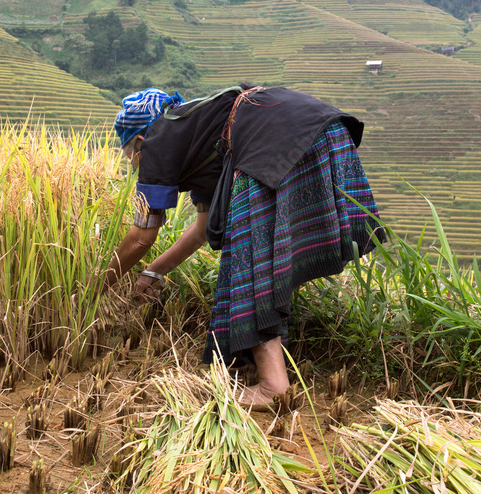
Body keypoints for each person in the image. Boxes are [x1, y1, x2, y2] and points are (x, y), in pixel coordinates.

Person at [104, 84, 385, 407]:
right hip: (327, 134)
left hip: (279, 141)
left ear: (139, 141)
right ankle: (263, 357)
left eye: (130, 156)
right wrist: (153, 272)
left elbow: (141, 237)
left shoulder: (156, 140)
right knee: (259, 255)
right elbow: (201, 229)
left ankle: (272, 386)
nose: (134, 164)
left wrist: (98, 285)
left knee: (248, 260)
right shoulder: (198, 136)